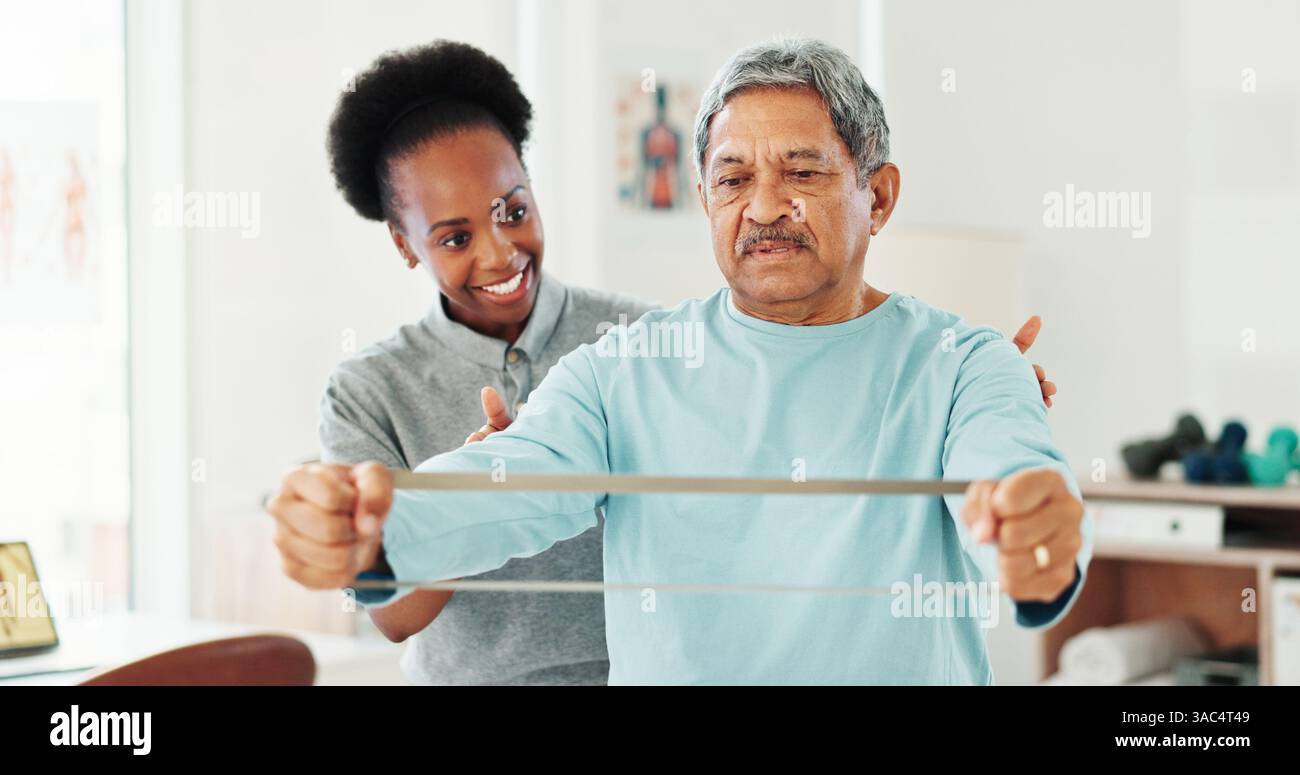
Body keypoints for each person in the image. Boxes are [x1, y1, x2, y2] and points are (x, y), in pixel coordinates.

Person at [269, 39, 1071, 684]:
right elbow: (505, 483)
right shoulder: (620, 370)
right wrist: (372, 524)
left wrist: (1036, 533)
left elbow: (1016, 486)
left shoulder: (967, 365)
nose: (763, 207)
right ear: (705, 200)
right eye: (733, 178)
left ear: (879, 195)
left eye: (801, 171)